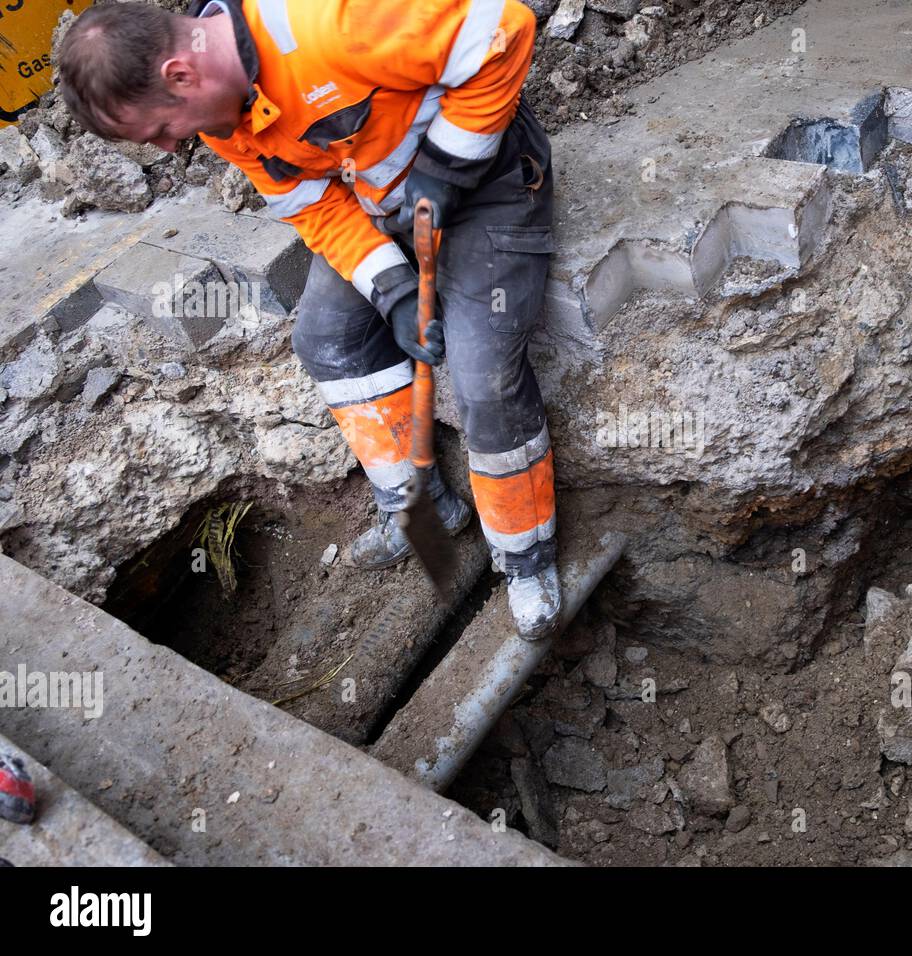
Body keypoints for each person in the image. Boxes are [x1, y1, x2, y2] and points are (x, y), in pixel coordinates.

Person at [59, 0, 562, 638]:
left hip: (489, 184)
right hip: (384, 202)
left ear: (181, 73)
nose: (168, 145)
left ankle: (525, 557)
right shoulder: (224, 121)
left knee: (481, 371)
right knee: (327, 337)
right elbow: (316, 211)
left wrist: (445, 167)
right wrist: (394, 292)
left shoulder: (329, 23)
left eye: (159, 128)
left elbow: (504, 30)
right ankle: (421, 515)